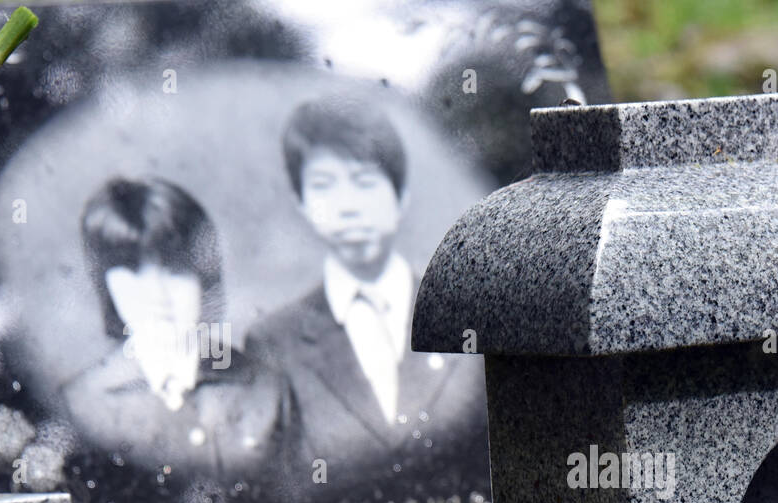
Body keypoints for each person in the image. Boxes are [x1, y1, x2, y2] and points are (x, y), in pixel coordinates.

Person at [243, 96, 485, 482]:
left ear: (401, 195)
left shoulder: (466, 315)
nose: (348, 206)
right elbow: (279, 487)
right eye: (324, 186)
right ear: (302, 204)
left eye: (364, 181)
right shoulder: (275, 342)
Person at [63, 177, 282, 475]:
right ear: (105, 283)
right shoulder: (80, 405)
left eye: (174, 270)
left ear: (203, 276)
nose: (156, 293)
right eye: (132, 270)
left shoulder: (263, 386)